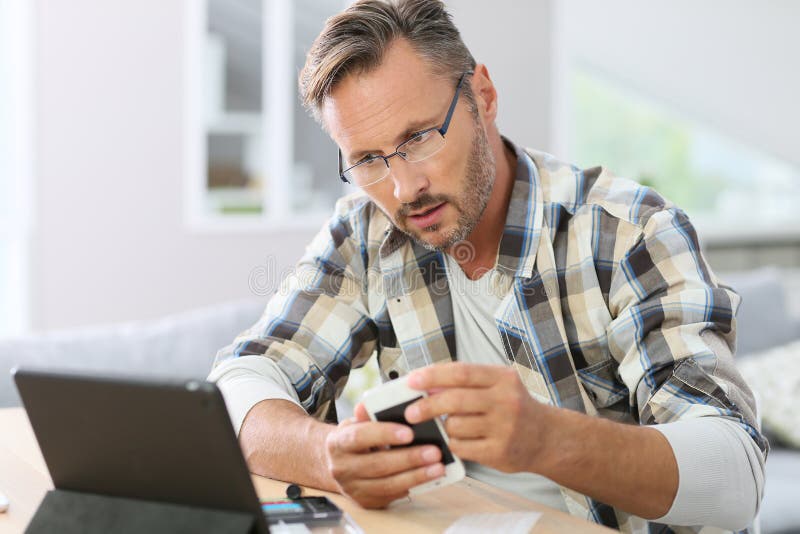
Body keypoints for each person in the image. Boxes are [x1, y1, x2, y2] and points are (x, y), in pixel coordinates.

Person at [208, 1, 767, 531]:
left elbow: (737, 470)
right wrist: (325, 456)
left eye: (419, 138)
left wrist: (549, 440)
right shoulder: (366, 233)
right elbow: (239, 380)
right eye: (367, 161)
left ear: (483, 94)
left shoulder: (628, 232)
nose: (404, 189)